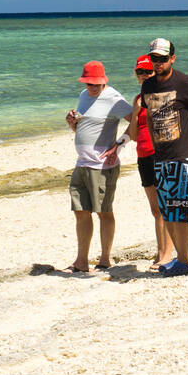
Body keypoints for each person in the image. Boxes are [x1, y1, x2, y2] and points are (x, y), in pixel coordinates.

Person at [139, 39, 188, 276]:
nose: (158, 63)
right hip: (160, 156)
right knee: (165, 209)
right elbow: (148, 117)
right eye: (154, 59)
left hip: (183, 154)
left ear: (172, 59)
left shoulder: (185, 83)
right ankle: (182, 257)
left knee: (180, 208)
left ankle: (183, 262)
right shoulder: (147, 87)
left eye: (162, 59)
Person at [63, 61, 134, 274]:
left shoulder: (114, 98)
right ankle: (81, 261)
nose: (93, 87)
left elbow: (138, 121)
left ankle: (104, 259)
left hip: (102, 165)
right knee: (81, 212)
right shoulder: (83, 95)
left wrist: (119, 144)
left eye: (96, 84)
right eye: (89, 83)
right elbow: (84, 127)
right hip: (82, 162)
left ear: (104, 81)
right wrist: (73, 124)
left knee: (104, 211)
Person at [130, 55, 171, 270]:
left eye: (148, 71)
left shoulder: (161, 95)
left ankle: (166, 253)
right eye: (140, 72)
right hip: (143, 154)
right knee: (156, 210)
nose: (145, 75)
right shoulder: (138, 98)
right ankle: (161, 251)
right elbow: (134, 135)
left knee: (166, 206)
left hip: (161, 153)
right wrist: (136, 112)